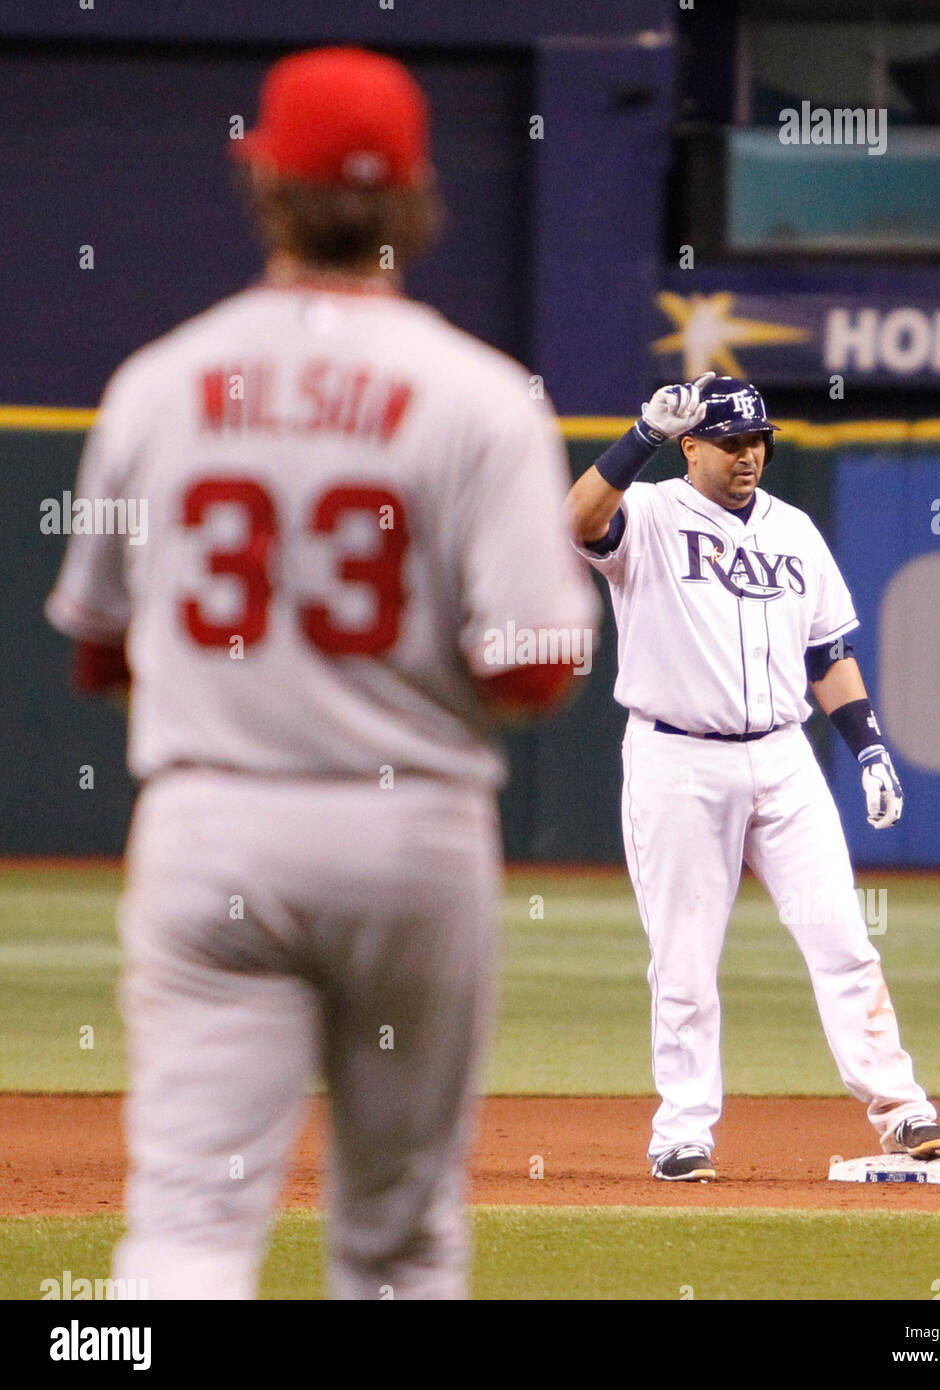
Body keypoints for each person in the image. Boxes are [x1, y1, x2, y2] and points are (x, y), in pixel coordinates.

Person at [46, 46, 597, 1296]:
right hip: (411, 833)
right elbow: (539, 666)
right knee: (401, 1241)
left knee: (186, 1227)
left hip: (213, 818)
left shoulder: (160, 381)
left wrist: (246, 685)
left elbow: (97, 645)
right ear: (417, 203)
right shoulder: (478, 395)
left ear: (268, 190)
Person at [566, 374, 940, 1181]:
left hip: (782, 758)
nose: (749, 455)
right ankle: (682, 1132)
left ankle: (901, 1109)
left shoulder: (794, 529)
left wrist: (869, 744)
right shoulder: (651, 514)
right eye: (733, 442)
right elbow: (576, 521)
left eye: (758, 440)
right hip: (676, 759)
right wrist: (636, 436)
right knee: (682, 958)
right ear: (692, 445)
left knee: (843, 940)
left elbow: (827, 655)